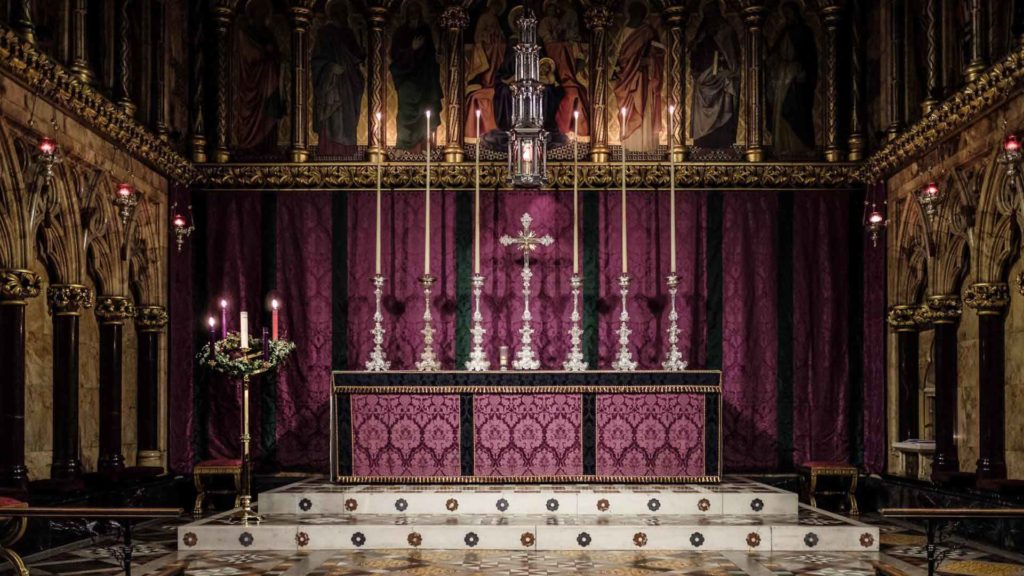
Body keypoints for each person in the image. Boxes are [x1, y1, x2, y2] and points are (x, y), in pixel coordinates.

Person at [312, 0, 366, 156]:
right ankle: (330, 151)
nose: (345, 16)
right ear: (334, 14)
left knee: (348, 116)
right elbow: (317, 60)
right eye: (342, 13)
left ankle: (347, 151)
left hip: (348, 82)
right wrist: (330, 67)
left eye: (346, 13)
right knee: (333, 117)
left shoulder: (348, 33)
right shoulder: (324, 33)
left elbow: (356, 56)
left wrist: (362, 51)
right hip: (332, 83)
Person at [234, 0, 286, 151]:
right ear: (252, 13)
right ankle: (250, 145)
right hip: (254, 81)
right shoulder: (247, 33)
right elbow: (248, 54)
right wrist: (264, 53)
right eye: (258, 12)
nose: (262, 15)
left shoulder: (268, 33)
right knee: (257, 110)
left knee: (269, 111)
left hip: (270, 81)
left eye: (264, 12)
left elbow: (276, 56)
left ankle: (269, 146)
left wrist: (276, 57)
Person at [390, 1, 442, 151]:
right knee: (406, 111)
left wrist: (436, 55)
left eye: (416, 11)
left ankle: (423, 146)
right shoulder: (400, 32)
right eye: (411, 12)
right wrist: (411, 49)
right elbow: (394, 55)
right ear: (406, 14)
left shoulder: (425, 31)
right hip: (406, 78)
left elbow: (430, 54)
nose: (414, 14)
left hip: (424, 79)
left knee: (425, 110)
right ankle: (404, 145)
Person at [613, 1, 664, 152]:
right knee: (628, 108)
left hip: (644, 76)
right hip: (628, 78)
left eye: (640, 12)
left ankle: (645, 145)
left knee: (645, 106)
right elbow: (620, 56)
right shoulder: (625, 31)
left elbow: (659, 52)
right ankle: (631, 145)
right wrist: (629, 65)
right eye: (634, 12)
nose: (637, 15)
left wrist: (650, 61)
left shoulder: (648, 31)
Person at [768, 2, 817, 156]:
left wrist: (801, 70)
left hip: (797, 78)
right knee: (781, 111)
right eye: (785, 14)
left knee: (797, 110)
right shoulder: (783, 33)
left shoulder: (805, 32)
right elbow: (773, 55)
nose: (788, 17)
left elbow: (810, 58)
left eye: (790, 13)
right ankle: (782, 146)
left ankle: (801, 146)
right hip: (782, 78)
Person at [690, 6, 739, 148]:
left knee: (723, 105)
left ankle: (723, 143)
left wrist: (727, 69)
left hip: (721, 77)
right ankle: (702, 143)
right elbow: (695, 56)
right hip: (704, 79)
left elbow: (733, 58)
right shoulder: (702, 36)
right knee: (701, 108)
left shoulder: (726, 32)